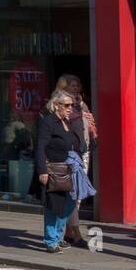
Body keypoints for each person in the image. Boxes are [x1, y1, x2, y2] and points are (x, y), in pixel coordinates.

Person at [30, 91, 84, 253]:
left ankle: (58, 237)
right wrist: (42, 171)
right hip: (55, 170)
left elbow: (77, 144)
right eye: (66, 105)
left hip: (70, 171)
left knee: (68, 206)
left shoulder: (66, 122)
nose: (70, 108)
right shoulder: (49, 122)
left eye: (72, 105)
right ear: (56, 105)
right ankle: (51, 240)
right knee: (54, 206)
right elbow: (40, 147)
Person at [53, 74, 97, 248]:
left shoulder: (81, 103)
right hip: (70, 154)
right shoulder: (61, 105)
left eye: (77, 85)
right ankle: (72, 232)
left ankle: (69, 231)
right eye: (72, 86)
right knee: (73, 194)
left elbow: (88, 125)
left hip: (83, 151)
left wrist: (91, 123)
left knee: (77, 194)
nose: (76, 88)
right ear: (63, 87)